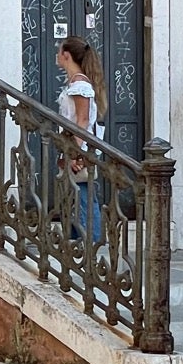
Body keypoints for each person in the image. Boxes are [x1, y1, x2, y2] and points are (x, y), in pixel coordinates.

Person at [56, 34, 107, 243]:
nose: (57, 55)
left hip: (79, 151)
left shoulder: (80, 86)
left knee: (84, 200)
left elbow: (83, 120)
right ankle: (78, 246)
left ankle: (94, 247)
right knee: (75, 201)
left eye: (59, 51)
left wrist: (75, 155)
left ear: (66, 55)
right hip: (75, 148)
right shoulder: (76, 83)